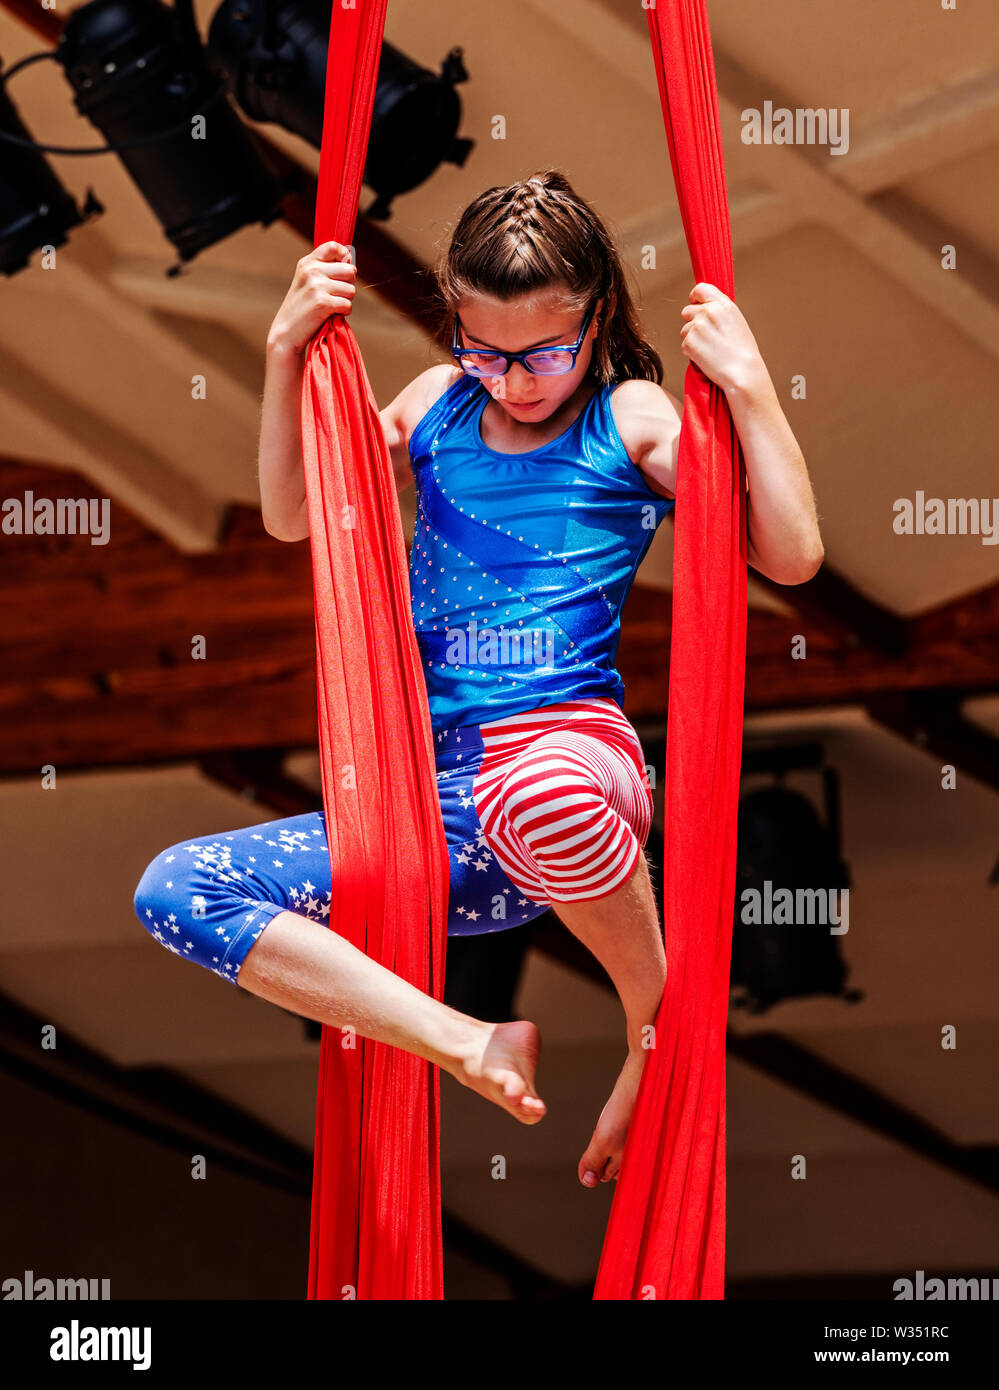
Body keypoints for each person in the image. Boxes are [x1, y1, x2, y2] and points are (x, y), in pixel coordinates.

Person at [133, 169, 823, 1190]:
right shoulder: (438, 408)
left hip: (572, 765)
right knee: (178, 887)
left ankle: (657, 1020)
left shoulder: (628, 418)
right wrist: (285, 349)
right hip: (438, 815)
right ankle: (463, 1039)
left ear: (595, 319)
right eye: (483, 348)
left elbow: (792, 553)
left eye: (542, 352)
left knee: (537, 790)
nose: (512, 380)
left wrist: (751, 388)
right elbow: (296, 513)